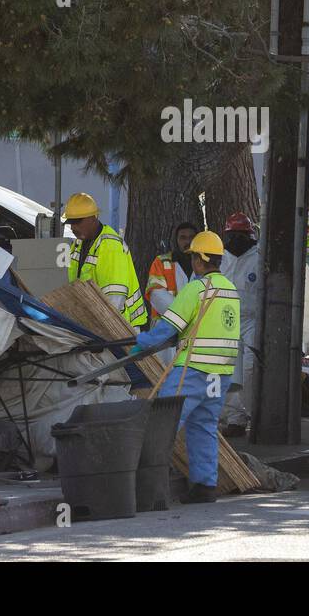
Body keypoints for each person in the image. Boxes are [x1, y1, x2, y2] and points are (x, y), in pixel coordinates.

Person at [131, 230, 240, 503]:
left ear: (201, 260)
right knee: (203, 426)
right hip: (221, 376)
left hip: (192, 370)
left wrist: (141, 342)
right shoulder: (231, 290)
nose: (192, 261)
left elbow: (169, 328)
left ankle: (149, 491)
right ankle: (204, 486)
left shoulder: (197, 289)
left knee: (162, 425)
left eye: (193, 256)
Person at [64, 192, 147, 329]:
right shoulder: (78, 245)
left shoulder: (109, 245)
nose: (73, 227)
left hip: (120, 328)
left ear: (93, 218)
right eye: (70, 222)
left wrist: (103, 329)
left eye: (77, 222)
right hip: (99, 324)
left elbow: (115, 298)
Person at [218, 212, 260, 435]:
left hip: (251, 320)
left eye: (240, 235)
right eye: (232, 235)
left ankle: (255, 414)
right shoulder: (221, 257)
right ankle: (235, 419)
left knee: (250, 367)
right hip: (226, 320)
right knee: (230, 370)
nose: (235, 239)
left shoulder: (258, 257)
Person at [144, 221, 198, 322]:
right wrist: (183, 317)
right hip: (165, 329)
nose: (188, 241)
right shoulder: (161, 262)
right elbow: (156, 295)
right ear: (176, 241)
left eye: (192, 237)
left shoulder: (204, 264)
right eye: (183, 238)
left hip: (195, 330)